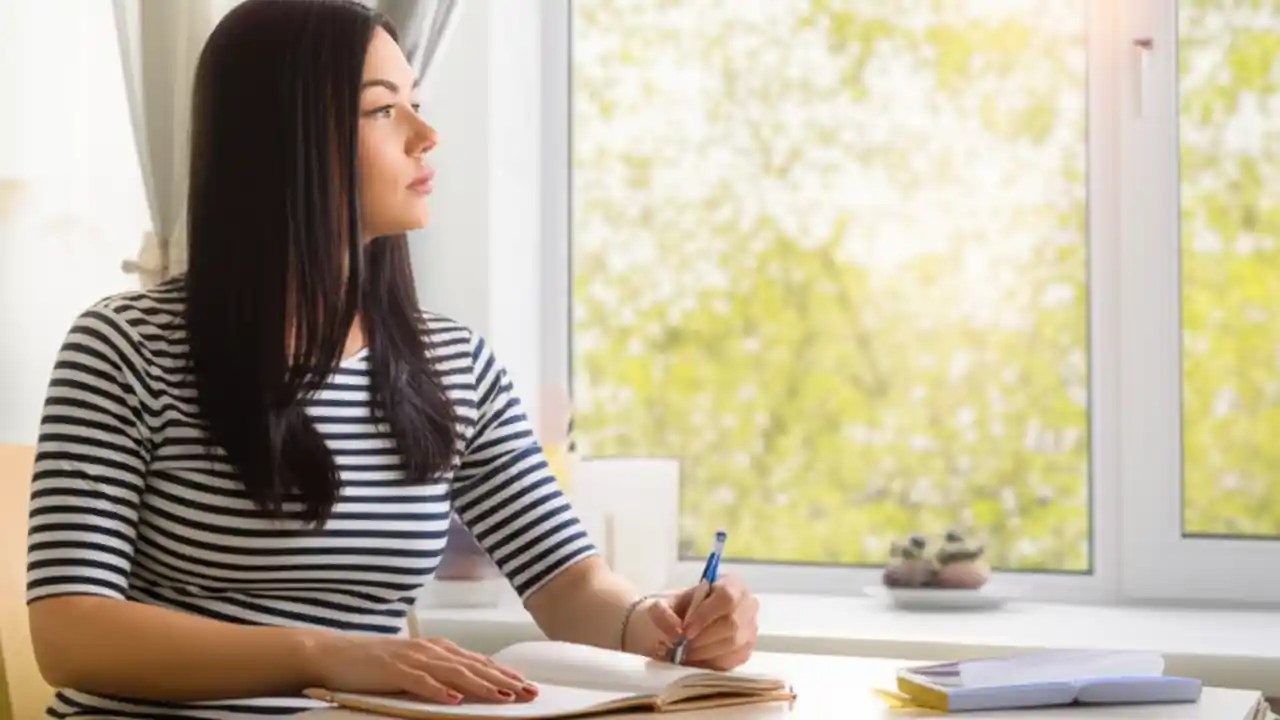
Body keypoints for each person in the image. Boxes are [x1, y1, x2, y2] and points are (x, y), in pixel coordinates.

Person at [23, 1, 759, 717]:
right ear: (285, 140)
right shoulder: (125, 348)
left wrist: (661, 623)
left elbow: (569, 583)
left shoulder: (454, 365)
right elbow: (71, 634)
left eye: (417, 104)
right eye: (383, 110)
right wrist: (325, 654)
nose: (426, 135)